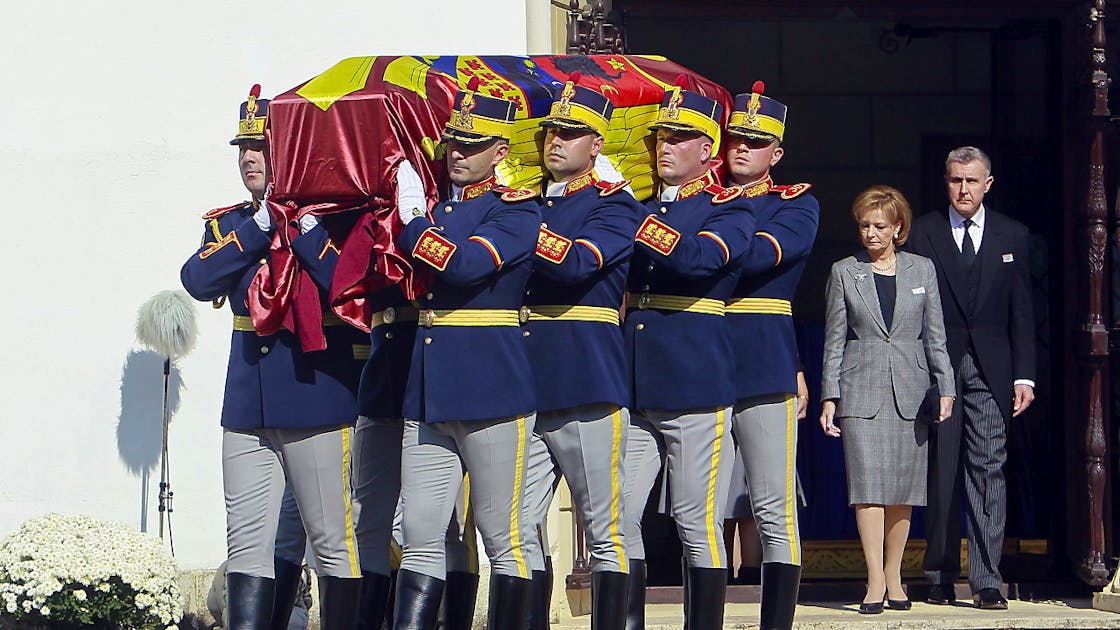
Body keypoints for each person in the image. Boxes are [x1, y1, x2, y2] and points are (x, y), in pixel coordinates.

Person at [181, 85, 366, 630]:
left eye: (260, 146)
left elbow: (348, 286)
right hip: (249, 404)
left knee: (331, 541)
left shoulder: (334, 219)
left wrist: (303, 231)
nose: (249, 157)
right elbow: (197, 278)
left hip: (315, 398)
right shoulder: (231, 225)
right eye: (243, 148)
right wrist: (259, 229)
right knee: (246, 543)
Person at [390, 78, 542, 630]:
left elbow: (463, 266)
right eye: (454, 142)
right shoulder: (442, 210)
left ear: (500, 152)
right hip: (430, 391)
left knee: (503, 536)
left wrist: (412, 224)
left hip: (490, 389)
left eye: (473, 145)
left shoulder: (517, 211)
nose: (458, 153)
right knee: (420, 533)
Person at [621, 80, 756, 630]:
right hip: (636, 382)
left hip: (694, 381)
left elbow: (699, 259)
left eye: (678, 138)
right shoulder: (640, 206)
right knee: (616, 517)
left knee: (695, 521)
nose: (665, 147)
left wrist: (631, 215)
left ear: (707, 149)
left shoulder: (730, 207)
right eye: (661, 137)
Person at [520, 73, 640, 630]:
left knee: (603, 529)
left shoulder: (615, 204)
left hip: (586, 375)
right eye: (552, 131)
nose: (557, 141)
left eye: (571, 133)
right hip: (523, 380)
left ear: (596, 144)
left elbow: (575, 264)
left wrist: (516, 226)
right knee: (516, 526)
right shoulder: (525, 200)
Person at [819, 185, 955, 614]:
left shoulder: (922, 270)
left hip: (910, 392)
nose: (871, 234)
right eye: (864, 226)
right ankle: (874, 578)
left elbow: (935, 335)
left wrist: (946, 386)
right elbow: (834, 339)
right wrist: (829, 395)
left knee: (903, 490)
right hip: (860, 391)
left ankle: (895, 575)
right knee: (867, 489)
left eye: (879, 226)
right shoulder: (845, 272)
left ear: (898, 228)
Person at [910, 147, 1036, 610]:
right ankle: (940, 574)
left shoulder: (1012, 234)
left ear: (988, 184)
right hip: (937, 368)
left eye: (972, 181)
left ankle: (986, 581)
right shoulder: (922, 232)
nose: (963, 190)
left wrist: (1025, 376)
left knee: (988, 470)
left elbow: (1022, 311)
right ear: (946, 181)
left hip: (992, 368)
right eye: (955, 180)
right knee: (942, 472)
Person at [722, 81, 819, 630]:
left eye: (755, 143)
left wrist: (693, 242)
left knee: (772, 503)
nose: (742, 149)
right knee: (699, 507)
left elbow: (760, 257)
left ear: (775, 154)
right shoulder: (701, 200)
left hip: (763, 358)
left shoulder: (795, 203)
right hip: (703, 357)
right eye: (736, 138)